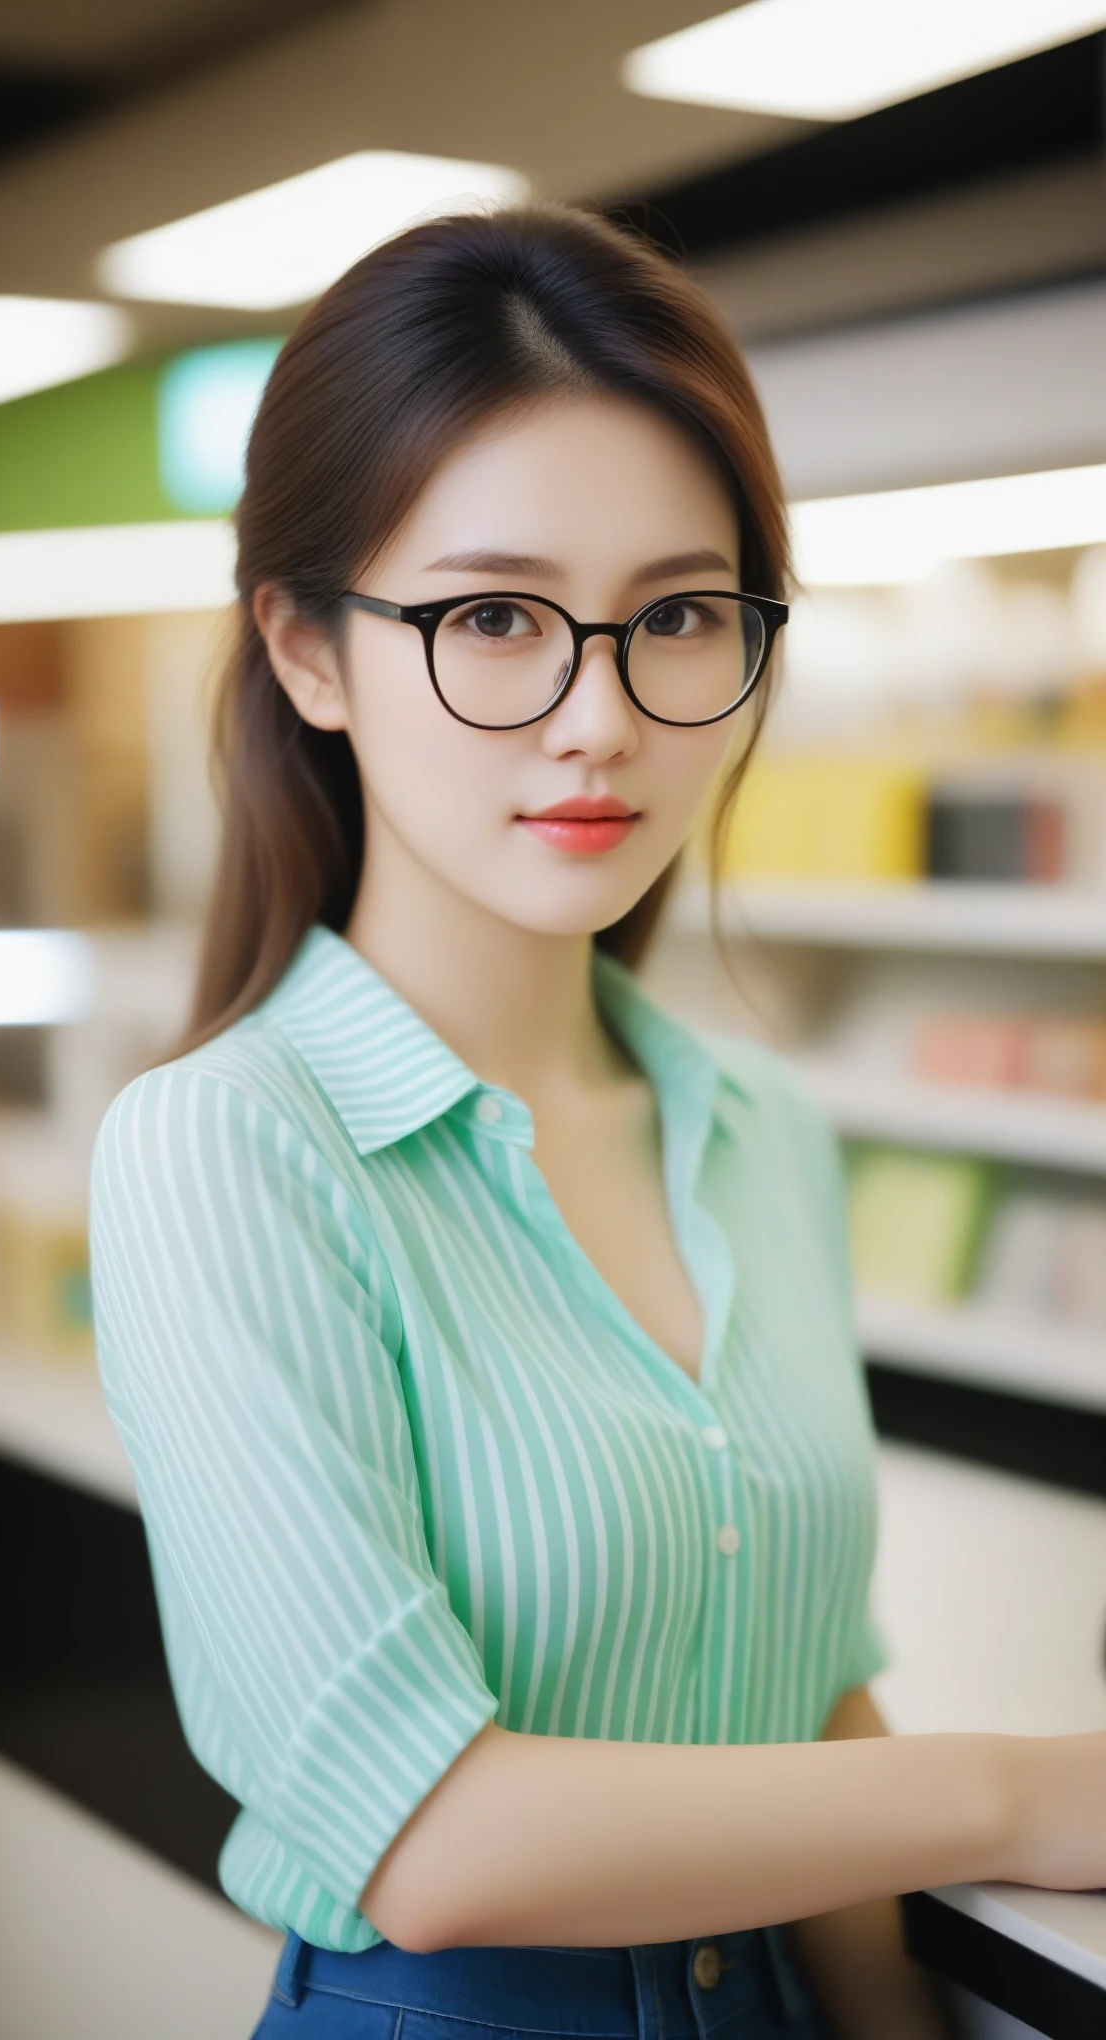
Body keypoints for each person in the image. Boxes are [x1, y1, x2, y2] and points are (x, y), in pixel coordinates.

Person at [88, 205, 1106, 2040]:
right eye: (492, 617)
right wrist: (1029, 1789)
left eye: (680, 617)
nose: (599, 720)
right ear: (309, 653)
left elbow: (810, 1695)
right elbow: (429, 1834)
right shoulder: (228, 1150)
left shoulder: (758, 1129)